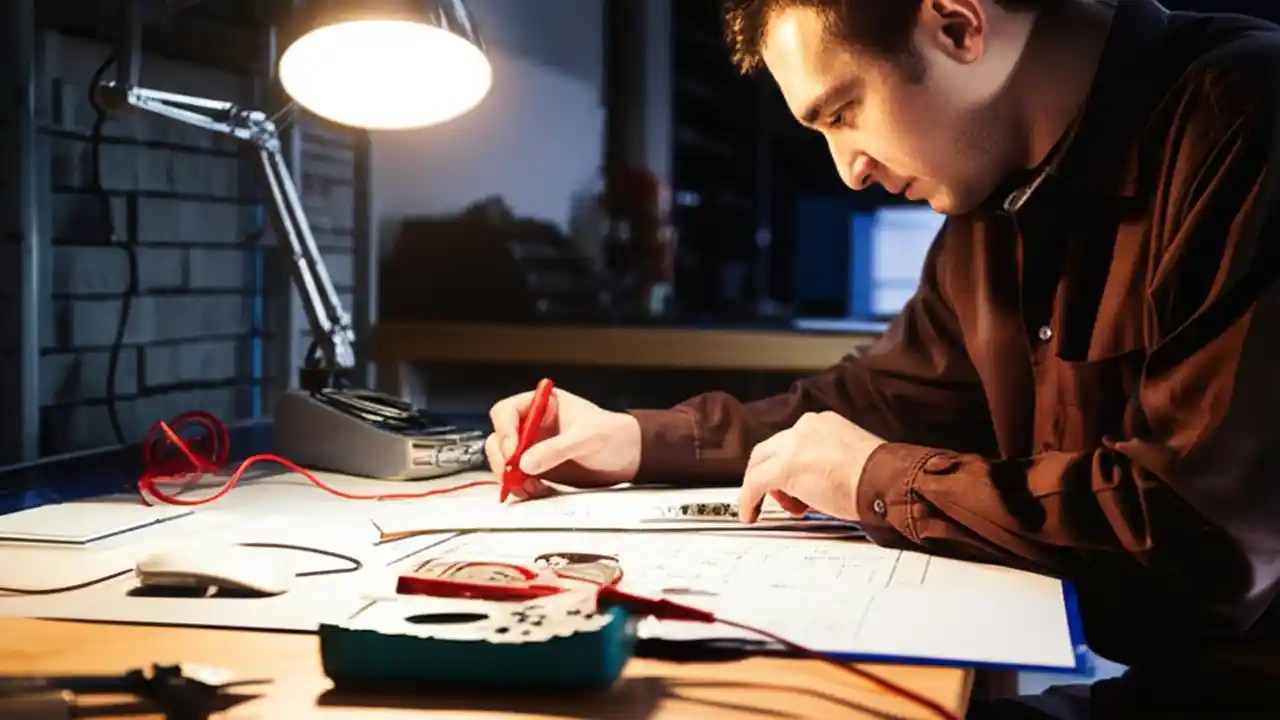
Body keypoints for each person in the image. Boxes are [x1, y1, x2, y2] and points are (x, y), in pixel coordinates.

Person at [486, 0, 1280, 674]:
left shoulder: (1247, 120)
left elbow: (1198, 538)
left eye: (842, 112)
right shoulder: (996, 194)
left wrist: (881, 478)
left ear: (958, 25)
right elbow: (881, 402)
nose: (848, 171)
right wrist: (634, 440)